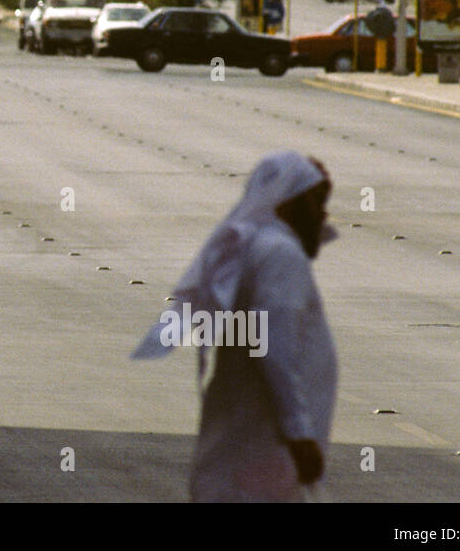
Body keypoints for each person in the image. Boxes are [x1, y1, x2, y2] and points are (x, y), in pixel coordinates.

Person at [133, 151, 338, 502]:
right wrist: (299, 434)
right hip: (262, 451)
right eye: (316, 203)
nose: (323, 216)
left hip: (244, 449)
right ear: (292, 202)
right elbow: (274, 348)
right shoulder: (279, 254)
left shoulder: (255, 245)